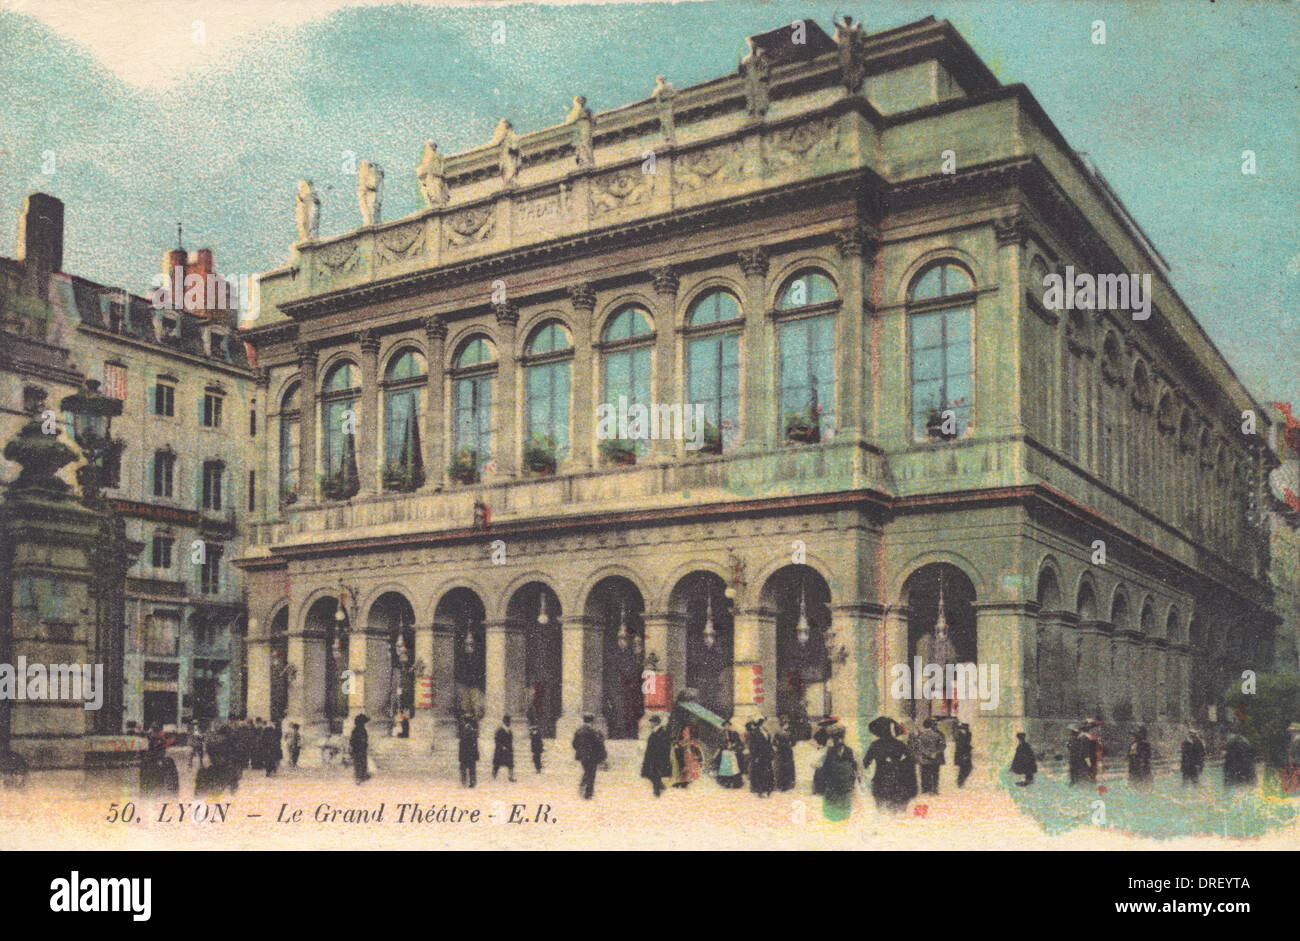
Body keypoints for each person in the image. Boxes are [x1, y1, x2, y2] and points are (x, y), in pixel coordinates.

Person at [862, 717, 918, 814]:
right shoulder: (899, 744)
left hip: (880, 780)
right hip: (897, 780)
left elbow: (865, 763)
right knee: (894, 811)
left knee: (881, 810)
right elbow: (911, 760)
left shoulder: (875, 745)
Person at [817, 725, 858, 821]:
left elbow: (853, 768)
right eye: (836, 738)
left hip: (845, 785)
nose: (839, 740)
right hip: (833, 785)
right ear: (833, 739)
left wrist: (852, 782)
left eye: (841, 738)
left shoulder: (849, 751)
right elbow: (825, 768)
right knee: (831, 812)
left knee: (844, 812)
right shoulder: (830, 751)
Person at [572, 714, 607, 799]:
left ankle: (583, 785)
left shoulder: (579, 730)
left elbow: (574, 744)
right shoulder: (593, 732)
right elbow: (598, 744)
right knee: (591, 774)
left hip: (583, 756)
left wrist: (580, 751)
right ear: (592, 721)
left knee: (587, 771)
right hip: (592, 756)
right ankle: (588, 793)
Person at [640, 715, 673, 797]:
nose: (650, 724)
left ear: (655, 723)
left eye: (651, 722)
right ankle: (661, 787)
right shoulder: (655, 732)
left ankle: (657, 793)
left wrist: (661, 757)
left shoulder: (662, 732)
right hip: (653, 757)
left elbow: (665, 746)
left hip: (658, 758)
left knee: (655, 774)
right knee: (652, 775)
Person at [915, 718, 946, 795]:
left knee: (925, 774)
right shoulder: (939, 735)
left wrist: (926, 753)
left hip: (925, 759)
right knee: (934, 774)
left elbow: (918, 747)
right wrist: (935, 752)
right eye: (935, 724)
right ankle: (934, 789)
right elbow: (943, 746)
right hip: (936, 758)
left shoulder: (921, 735)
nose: (936, 726)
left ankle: (925, 790)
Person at [747, 718, 775, 797]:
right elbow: (752, 746)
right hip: (759, 755)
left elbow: (769, 743)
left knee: (768, 773)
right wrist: (755, 756)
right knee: (760, 773)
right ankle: (760, 790)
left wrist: (772, 752)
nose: (767, 724)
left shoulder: (766, 731)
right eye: (765, 722)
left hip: (767, 755)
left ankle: (768, 789)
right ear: (761, 723)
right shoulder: (754, 732)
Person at [716, 720, 744, 788]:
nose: (727, 727)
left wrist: (733, 746)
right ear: (723, 726)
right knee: (725, 768)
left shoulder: (734, 733)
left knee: (734, 767)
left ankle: (735, 783)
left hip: (732, 753)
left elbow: (739, 742)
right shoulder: (721, 734)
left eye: (728, 725)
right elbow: (718, 743)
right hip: (724, 753)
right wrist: (725, 746)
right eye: (725, 725)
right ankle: (725, 782)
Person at [773, 717, 796, 792]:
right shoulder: (779, 733)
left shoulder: (787, 732)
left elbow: (793, 742)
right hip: (783, 752)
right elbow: (774, 743)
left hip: (785, 752)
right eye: (786, 723)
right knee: (782, 768)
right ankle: (783, 784)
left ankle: (785, 784)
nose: (787, 725)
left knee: (785, 768)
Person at [458, 715, 480, 788]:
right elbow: (475, 743)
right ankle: (471, 782)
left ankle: (466, 782)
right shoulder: (472, 731)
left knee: (466, 769)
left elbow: (461, 743)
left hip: (466, 753)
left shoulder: (464, 730)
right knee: (470, 769)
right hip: (469, 754)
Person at [492, 715, 516, 782]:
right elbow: (497, 740)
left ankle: (511, 777)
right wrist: (502, 746)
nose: (509, 723)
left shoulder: (509, 731)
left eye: (509, 722)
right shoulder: (499, 730)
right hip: (500, 751)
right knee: (497, 764)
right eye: (507, 722)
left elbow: (511, 740)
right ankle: (494, 776)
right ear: (504, 722)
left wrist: (510, 748)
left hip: (508, 750)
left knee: (510, 764)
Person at [349, 715, 370, 783]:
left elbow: (351, 740)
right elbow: (363, 740)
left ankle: (361, 776)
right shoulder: (361, 730)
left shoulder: (355, 730)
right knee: (361, 762)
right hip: (360, 749)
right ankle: (360, 776)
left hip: (357, 749)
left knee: (359, 763)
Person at [953, 722, 973, 787]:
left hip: (964, 754)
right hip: (963, 754)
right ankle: (960, 782)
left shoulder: (965, 734)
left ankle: (960, 782)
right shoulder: (960, 735)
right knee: (966, 768)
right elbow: (961, 745)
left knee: (965, 768)